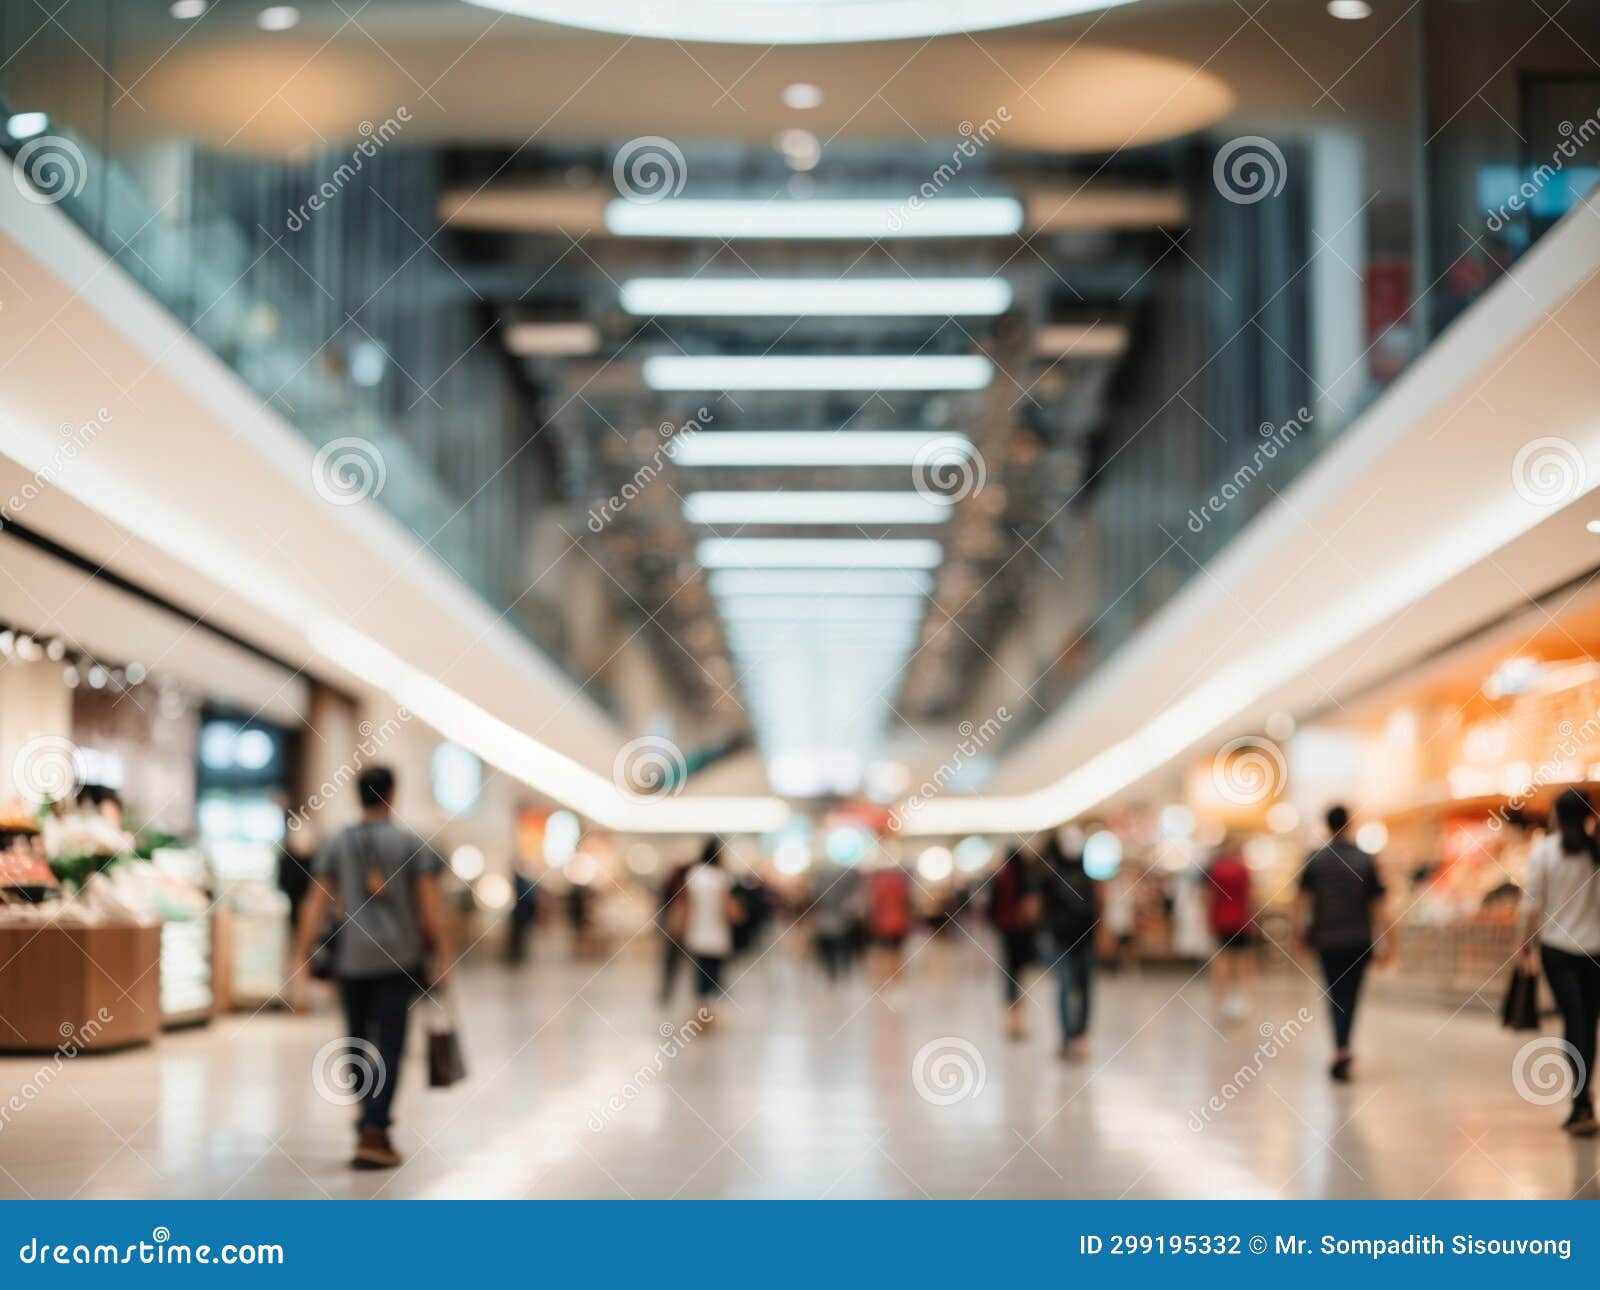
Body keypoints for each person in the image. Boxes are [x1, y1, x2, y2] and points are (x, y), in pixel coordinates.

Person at [290, 765, 453, 1170]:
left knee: (357, 1042)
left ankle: (368, 1121)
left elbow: (316, 900)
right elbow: (429, 905)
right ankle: (375, 1127)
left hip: (353, 959)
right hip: (400, 959)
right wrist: (443, 953)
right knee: (391, 1045)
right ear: (392, 794)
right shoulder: (411, 843)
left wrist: (301, 955)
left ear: (357, 794)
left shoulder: (337, 842)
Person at [1519, 787, 1600, 1135]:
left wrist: (1524, 944)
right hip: (1595, 951)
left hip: (1556, 950)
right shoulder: (1595, 853)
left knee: (1573, 1020)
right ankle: (1584, 1102)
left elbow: (1530, 903)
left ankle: (1580, 1101)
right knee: (1589, 1023)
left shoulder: (1545, 851)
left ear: (1557, 815)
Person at [1295, 804, 1390, 1083]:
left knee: (1335, 993)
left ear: (1327, 825)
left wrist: (1298, 937)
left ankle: (1341, 1047)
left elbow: (1301, 903)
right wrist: (1390, 942)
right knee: (1351, 994)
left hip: (1326, 939)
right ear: (1349, 824)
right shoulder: (1365, 859)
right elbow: (1379, 906)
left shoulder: (1315, 859)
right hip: (1359, 939)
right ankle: (1344, 1046)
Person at [1039, 829, 1103, 1059]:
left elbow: (1096, 906)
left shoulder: (1088, 875)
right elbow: (1043, 911)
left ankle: (1080, 1036)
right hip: (1061, 941)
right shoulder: (1050, 876)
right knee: (1066, 988)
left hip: (1085, 940)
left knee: (1084, 989)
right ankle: (1067, 1038)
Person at [672, 838, 742, 1024]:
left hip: (696, 932)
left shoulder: (694, 874)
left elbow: (685, 905)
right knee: (714, 972)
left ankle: (700, 1011)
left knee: (700, 972)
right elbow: (729, 910)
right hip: (717, 933)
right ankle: (709, 1013)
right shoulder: (721, 877)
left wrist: (680, 927)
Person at [990, 846, 1041, 1039]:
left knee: (1010, 977)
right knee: (1019, 978)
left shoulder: (1000, 879)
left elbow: (992, 909)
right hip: (1022, 934)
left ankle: (1012, 1021)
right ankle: (1018, 1021)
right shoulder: (1026, 879)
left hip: (1006, 933)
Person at [1205, 837, 1256, 1022]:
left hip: (1221, 920)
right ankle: (1242, 998)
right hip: (1240, 920)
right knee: (1242, 961)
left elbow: (1210, 896)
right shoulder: (1243, 870)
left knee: (1222, 960)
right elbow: (1250, 896)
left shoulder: (1216, 869)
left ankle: (1222, 999)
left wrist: (1208, 918)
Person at [866, 862, 914, 987]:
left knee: (885, 952)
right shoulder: (900, 882)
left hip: (883, 923)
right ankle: (896, 978)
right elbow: (907, 902)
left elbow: (874, 904)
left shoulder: (877, 883)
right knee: (895, 952)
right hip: (898, 922)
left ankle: (887, 978)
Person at [656, 857, 693, 1006]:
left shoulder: (674, 885)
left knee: (672, 963)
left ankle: (668, 992)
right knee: (674, 962)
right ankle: (669, 992)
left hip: (676, 928)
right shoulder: (682, 886)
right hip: (677, 928)